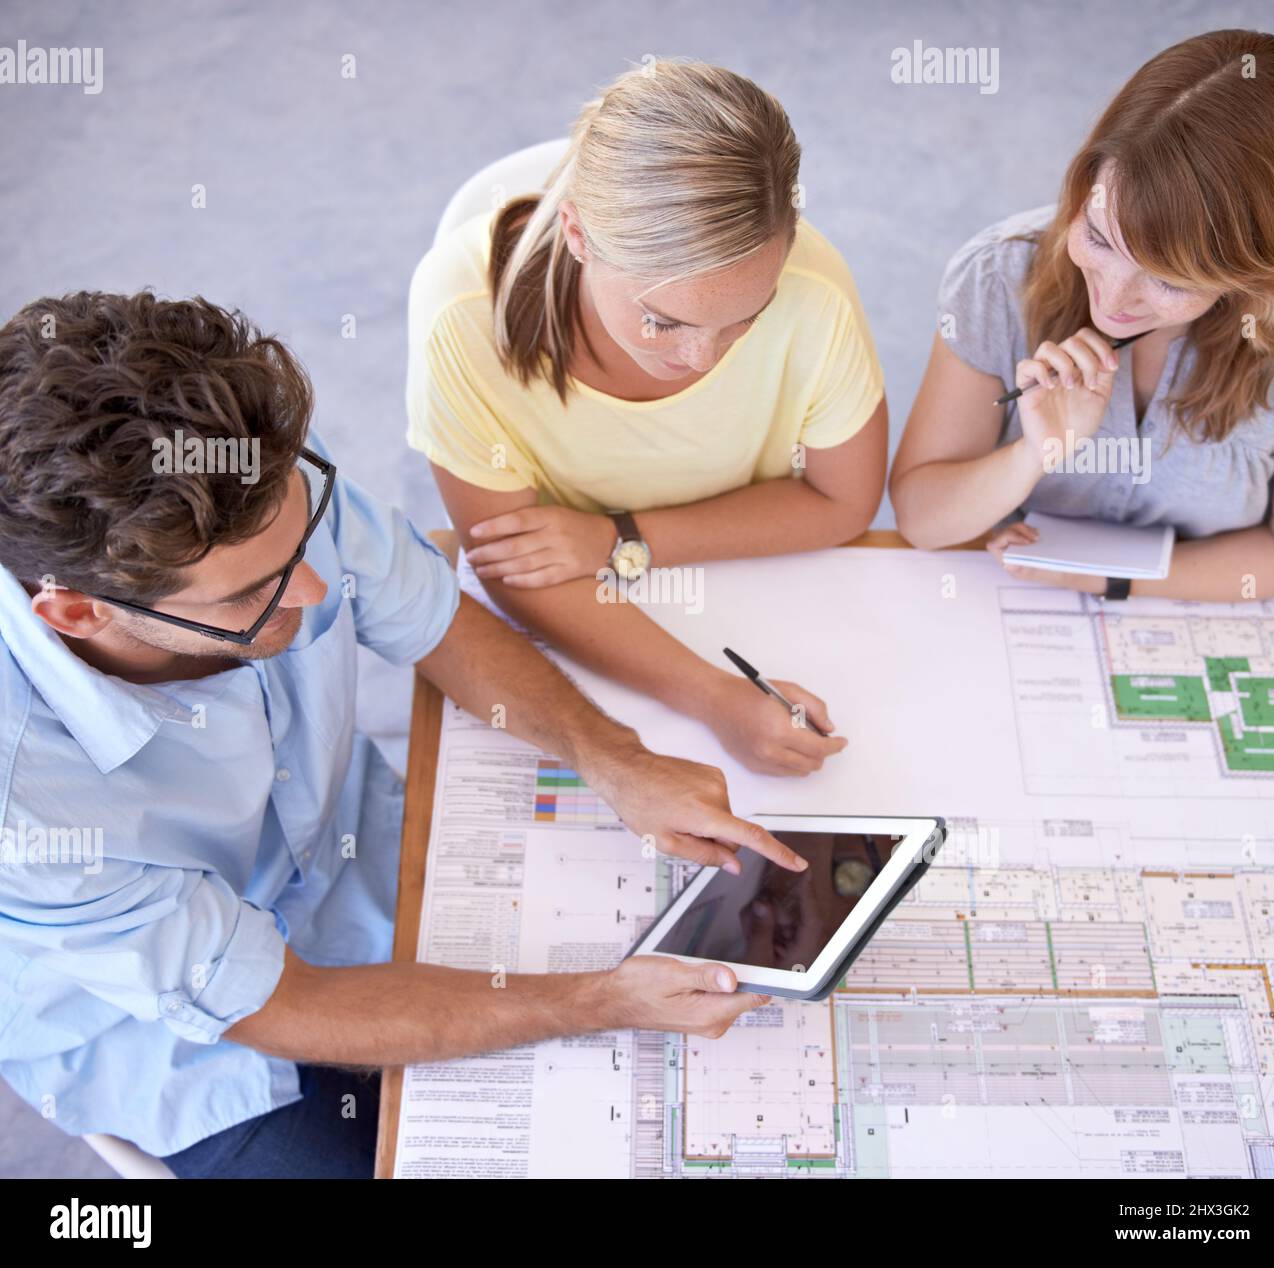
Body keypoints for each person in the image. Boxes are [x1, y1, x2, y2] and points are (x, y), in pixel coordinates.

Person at [0, 291, 803, 1179]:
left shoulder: (252, 480)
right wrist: (600, 1000)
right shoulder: (24, 809)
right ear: (74, 612)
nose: (312, 596)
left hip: (358, 874)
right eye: (248, 597)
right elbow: (285, 1003)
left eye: (304, 539)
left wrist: (618, 762)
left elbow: (433, 620)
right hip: (179, 1049)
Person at [406, 59, 888, 776]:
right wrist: (714, 699)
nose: (700, 359)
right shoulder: (459, 318)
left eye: (743, 320)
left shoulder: (815, 294)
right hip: (594, 619)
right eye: (664, 321)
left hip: (694, 585)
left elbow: (844, 501)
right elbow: (514, 563)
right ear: (576, 232)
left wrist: (619, 539)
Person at [889, 29, 1274, 603]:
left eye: (1169, 279)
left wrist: (1104, 577)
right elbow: (922, 520)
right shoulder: (998, 277)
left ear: (1253, 272)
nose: (1112, 299)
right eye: (1101, 239)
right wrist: (1033, 454)